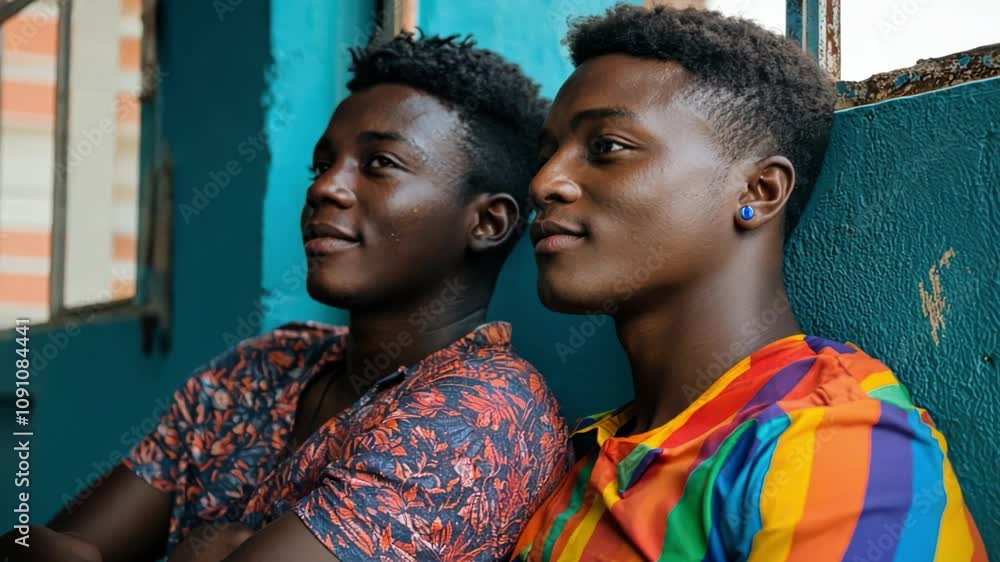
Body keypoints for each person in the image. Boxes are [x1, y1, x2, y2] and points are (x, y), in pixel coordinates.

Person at [3, 33, 569, 562]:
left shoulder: (485, 416)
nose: (325, 187)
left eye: (379, 164)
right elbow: (45, 545)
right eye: (323, 164)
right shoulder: (268, 366)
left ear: (488, 222)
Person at [513, 4, 986, 561]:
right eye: (545, 156)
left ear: (759, 191)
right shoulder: (593, 448)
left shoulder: (829, 438)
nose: (545, 183)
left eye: (607, 147)